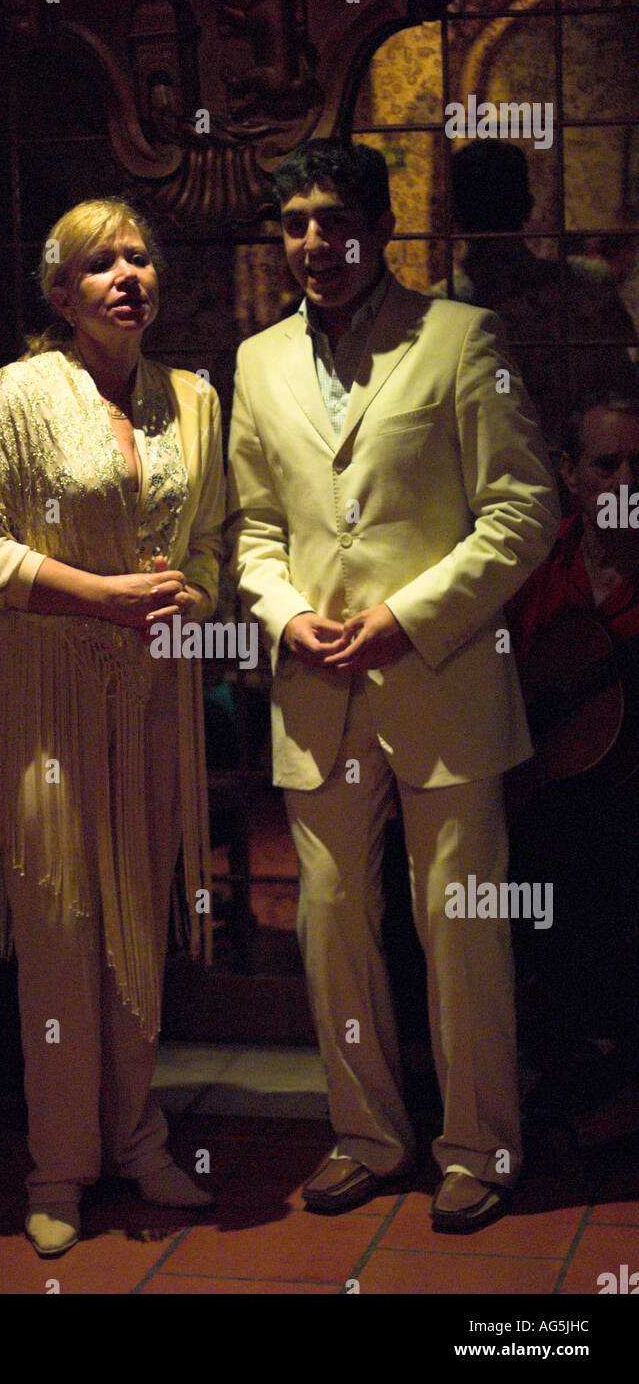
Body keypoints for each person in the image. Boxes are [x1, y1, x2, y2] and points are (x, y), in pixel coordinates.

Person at [225, 139, 559, 1232]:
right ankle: (367, 1134)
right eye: (294, 225)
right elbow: (254, 529)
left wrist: (404, 620)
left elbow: (523, 511)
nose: (314, 243)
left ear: (379, 222)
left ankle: (480, 1146)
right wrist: (285, 612)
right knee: (330, 923)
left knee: (460, 927)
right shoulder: (257, 360)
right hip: (316, 690)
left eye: (332, 218)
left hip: (445, 681)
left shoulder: (463, 338)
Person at [0, 198, 225, 1257]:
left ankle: (137, 1137)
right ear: (62, 295)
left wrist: (200, 593)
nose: (127, 275)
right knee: (59, 925)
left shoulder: (192, 400)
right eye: (101, 264)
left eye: (140, 257)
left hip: (152, 695)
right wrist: (94, 594)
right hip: (44, 693)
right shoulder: (20, 392)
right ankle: (60, 1161)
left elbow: (219, 544)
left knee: (137, 912)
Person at [506, 390, 639, 1117]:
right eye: (606, 464)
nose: (626, 484)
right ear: (569, 472)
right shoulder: (533, 566)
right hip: (546, 807)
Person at [430, 140, 638, 463]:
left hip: (492, 481)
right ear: (527, 206)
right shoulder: (587, 285)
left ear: (453, 215)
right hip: (588, 480)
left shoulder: (442, 307)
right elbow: (625, 390)